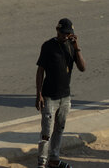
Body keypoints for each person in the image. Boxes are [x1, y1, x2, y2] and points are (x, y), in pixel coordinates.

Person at [36, 18, 86, 168]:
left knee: (60, 128)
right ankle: (42, 162)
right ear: (57, 30)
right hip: (49, 97)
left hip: (65, 96)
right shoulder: (48, 46)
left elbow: (82, 68)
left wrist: (77, 47)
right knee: (46, 133)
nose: (65, 35)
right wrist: (38, 94)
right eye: (63, 32)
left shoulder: (71, 46)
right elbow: (40, 71)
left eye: (68, 33)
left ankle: (54, 158)